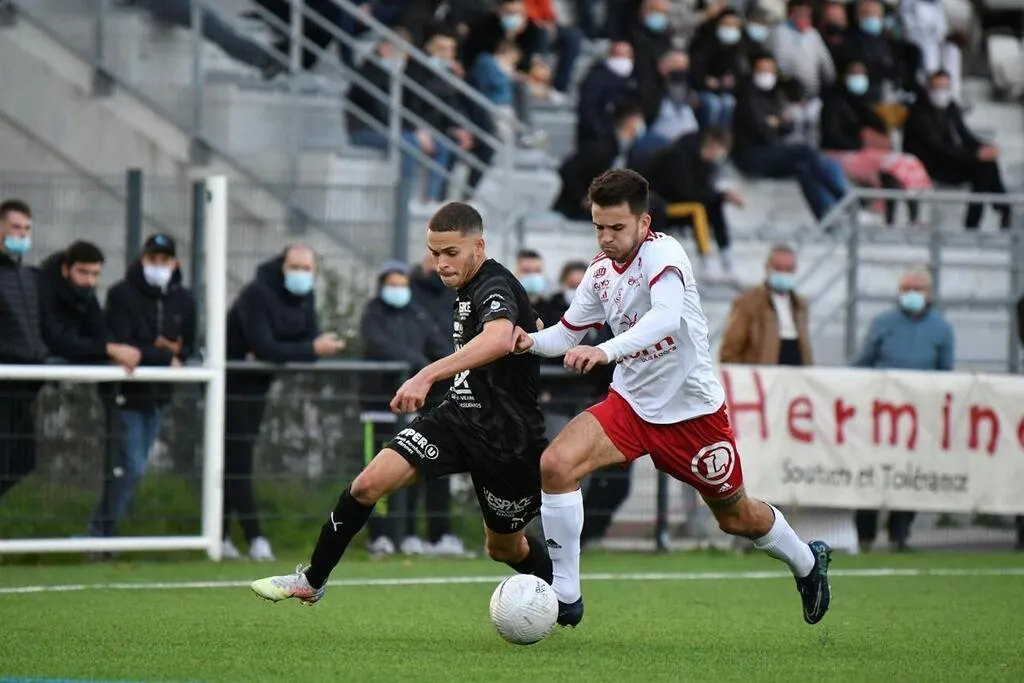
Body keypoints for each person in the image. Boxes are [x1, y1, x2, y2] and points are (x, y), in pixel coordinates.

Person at [512, 169, 832, 628]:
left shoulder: (665, 253)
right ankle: (566, 595)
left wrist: (603, 351)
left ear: (643, 224)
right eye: (599, 227)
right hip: (631, 405)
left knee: (737, 517)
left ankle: (806, 562)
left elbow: (663, 320)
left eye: (617, 228)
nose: (606, 238)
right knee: (556, 465)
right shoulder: (601, 273)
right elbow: (566, 332)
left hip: (691, 415)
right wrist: (529, 343)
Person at [250, 202, 553, 605]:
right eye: (434, 253)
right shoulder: (467, 285)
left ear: (478, 246)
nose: (440, 263)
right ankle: (312, 579)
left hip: (508, 439)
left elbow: (498, 337)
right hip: (458, 419)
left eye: (451, 253)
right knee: (367, 484)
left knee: (503, 549)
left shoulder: (493, 283)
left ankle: (562, 589)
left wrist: (427, 374)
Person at [222, 244, 347, 561]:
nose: (301, 275)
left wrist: (284, 348)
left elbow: (302, 341)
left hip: (258, 386)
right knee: (236, 461)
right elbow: (269, 347)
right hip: (231, 385)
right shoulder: (256, 294)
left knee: (237, 459)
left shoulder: (305, 298)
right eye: (295, 267)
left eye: (307, 268)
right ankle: (254, 537)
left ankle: (223, 535)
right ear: (282, 266)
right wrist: (298, 348)